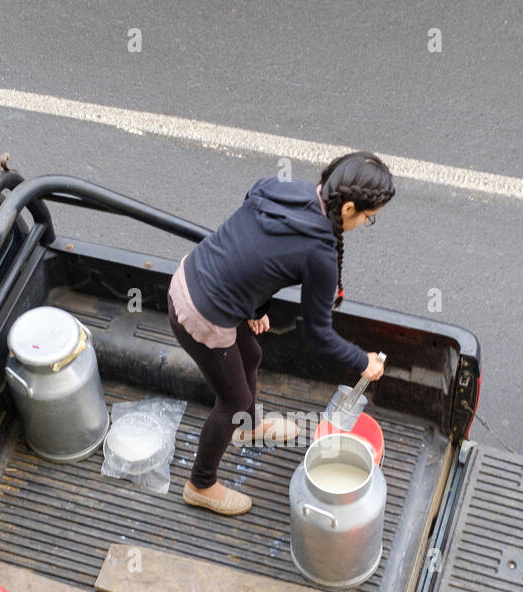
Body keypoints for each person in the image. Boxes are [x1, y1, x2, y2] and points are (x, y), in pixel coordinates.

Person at [168, 151, 394, 516]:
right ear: (349, 208)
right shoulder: (320, 254)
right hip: (202, 315)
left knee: (252, 356)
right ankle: (200, 483)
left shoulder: (281, 187)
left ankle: (249, 427)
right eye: (369, 218)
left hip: (191, 274)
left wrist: (252, 307)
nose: (366, 223)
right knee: (233, 402)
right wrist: (362, 361)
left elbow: (252, 241)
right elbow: (319, 334)